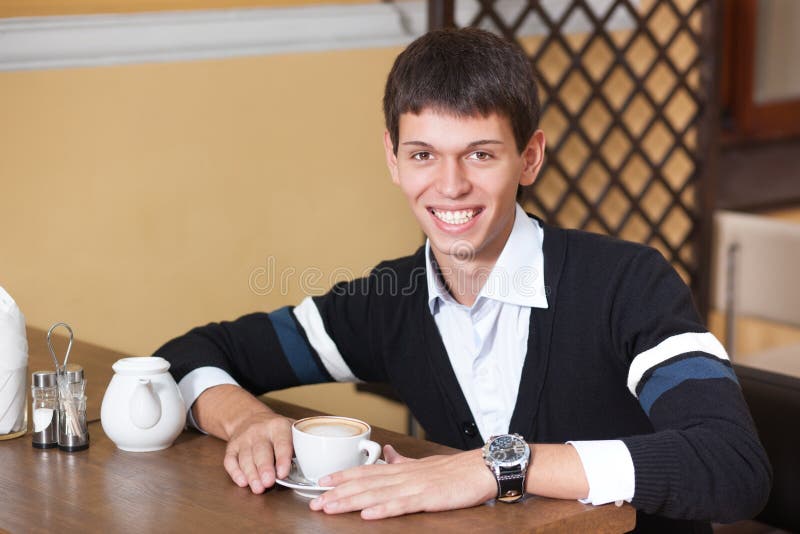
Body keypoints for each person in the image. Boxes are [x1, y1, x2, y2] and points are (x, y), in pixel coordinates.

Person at [155, 28, 770, 532]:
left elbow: (732, 465)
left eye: (480, 154)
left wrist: (498, 467)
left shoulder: (626, 284)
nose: (450, 187)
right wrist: (245, 420)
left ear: (529, 157)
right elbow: (187, 358)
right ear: (393, 160)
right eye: (424, 154)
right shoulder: (387, 302)